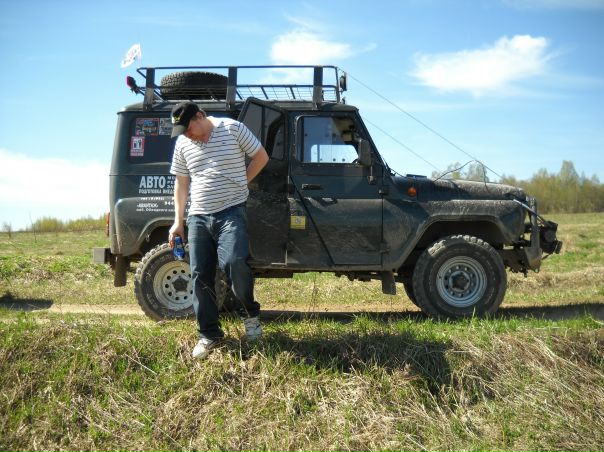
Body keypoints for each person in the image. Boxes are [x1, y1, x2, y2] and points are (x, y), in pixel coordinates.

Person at [168, 101, 269, 359]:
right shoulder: (182, 144)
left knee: (235, 263)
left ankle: (250, 317)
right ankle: (209, 334)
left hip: (231, 211)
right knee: (200, 275)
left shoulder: (232, 128)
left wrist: (242, 181)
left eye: (188, 128)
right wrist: (178, 221)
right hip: (198, 216)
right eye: (181, 131)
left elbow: (261, 157)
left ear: (200, 116)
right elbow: (181, 184)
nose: (186, 134)